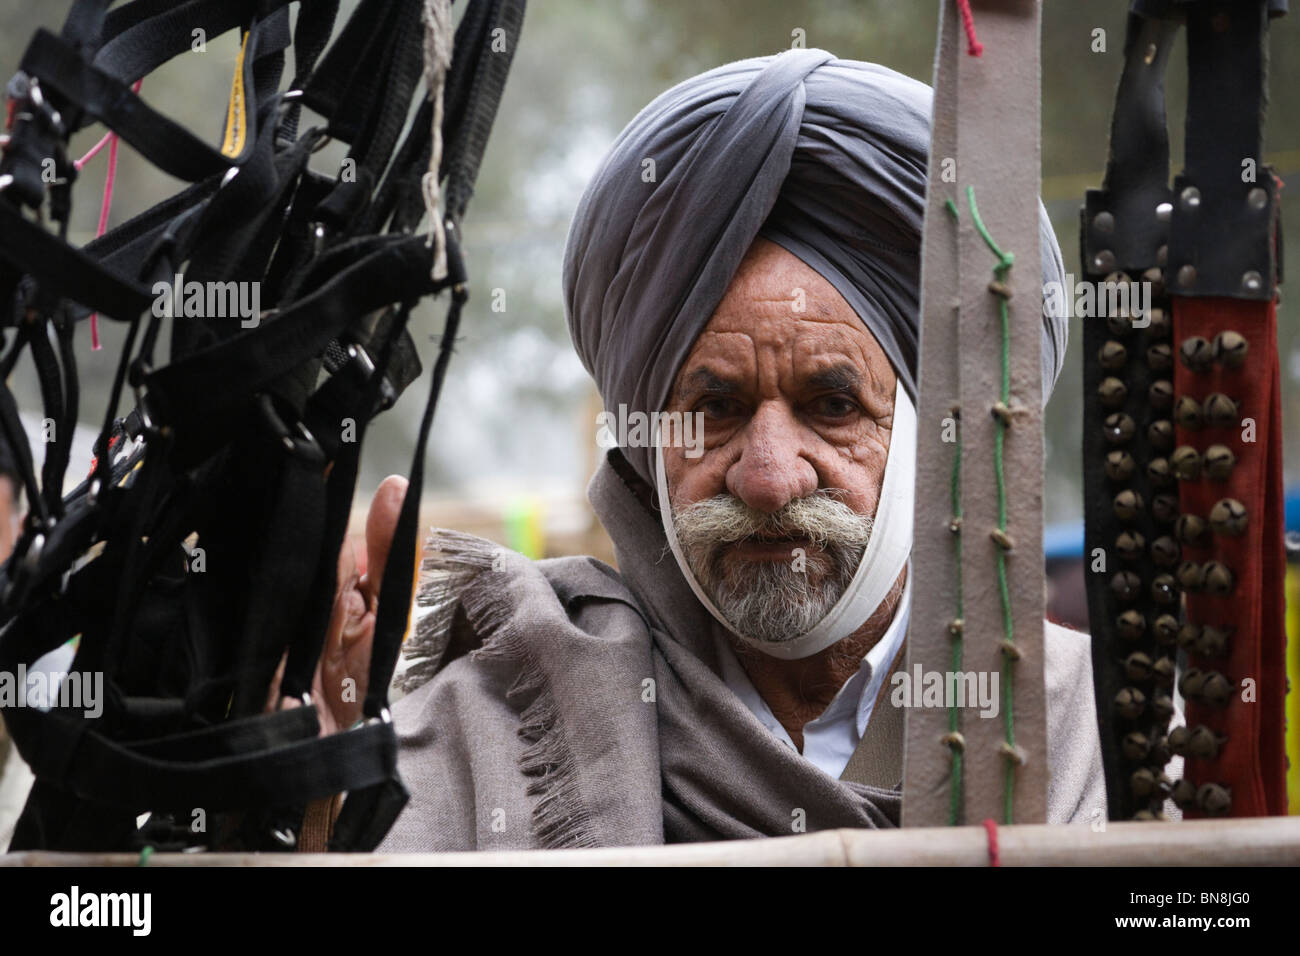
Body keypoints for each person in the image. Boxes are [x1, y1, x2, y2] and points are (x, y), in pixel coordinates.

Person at [312, 49, 1107, 849]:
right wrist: (308, 810)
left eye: (831, 406)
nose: (766, 478)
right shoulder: (487, 724)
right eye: (714, 409)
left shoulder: (1091, 727)